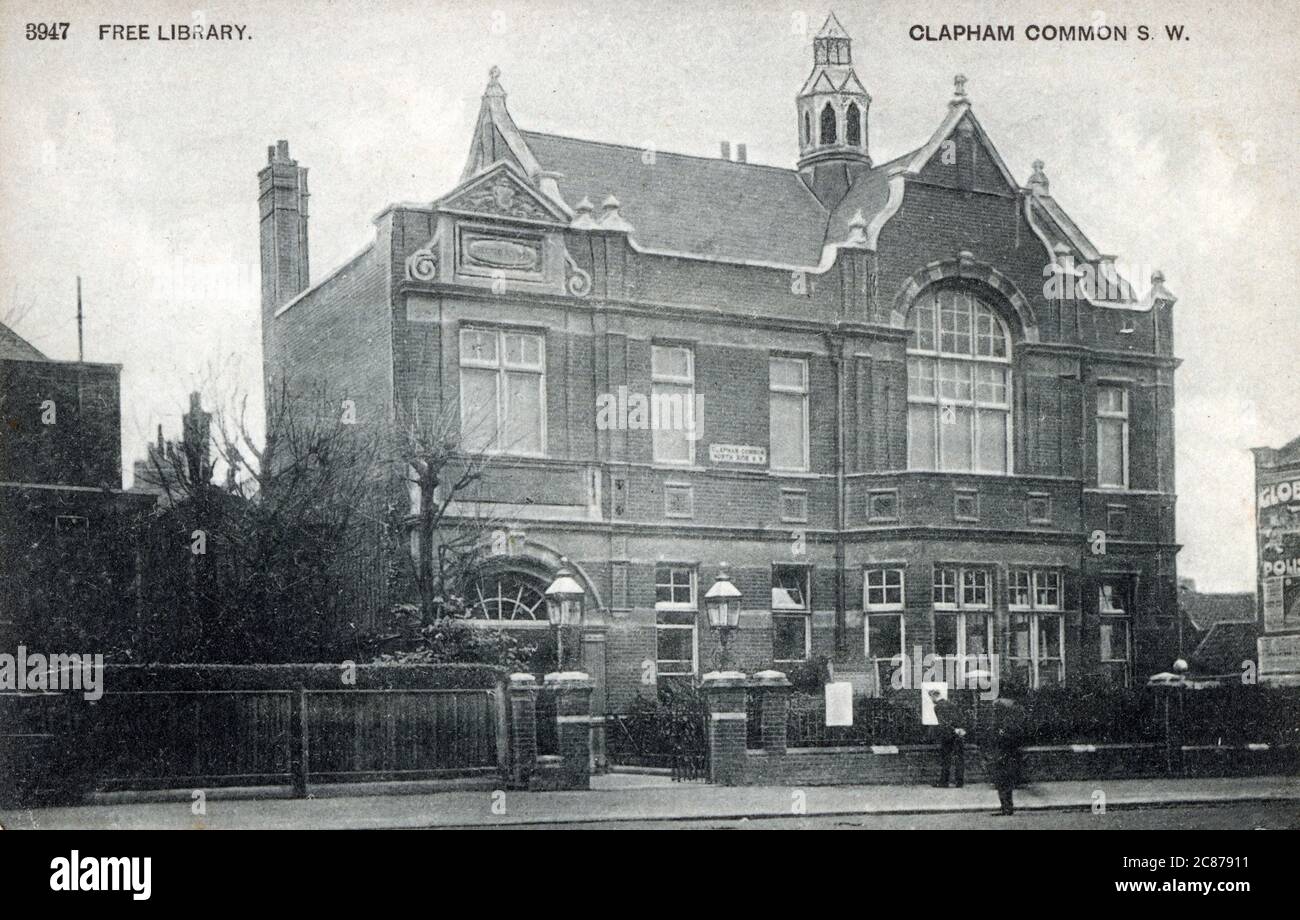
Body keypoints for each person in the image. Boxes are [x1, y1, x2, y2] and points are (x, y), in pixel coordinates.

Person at [985, 696, 1027, 815]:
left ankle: (1007, 808)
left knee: (1004, 783)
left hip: (1007, 757)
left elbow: (1014, 740)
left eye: (996, 709)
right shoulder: (1002, 724)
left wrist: (1003, 736)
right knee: (1001, 783)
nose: (994, 712)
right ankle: (1005, 807)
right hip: (1002, 756)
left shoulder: (1008, 724)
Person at [928, 688, 966, 788]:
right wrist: (960, 729)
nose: (931, 700)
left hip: (947, 735)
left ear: (933, 696)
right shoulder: (951, 704)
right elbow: (960, 717)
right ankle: (960, 782)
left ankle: (944, 782)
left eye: (931, 697)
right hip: (959, 734)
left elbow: (943, 722)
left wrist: (953, 730)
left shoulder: (938, 707)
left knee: (946, 759)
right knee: (959, 758)